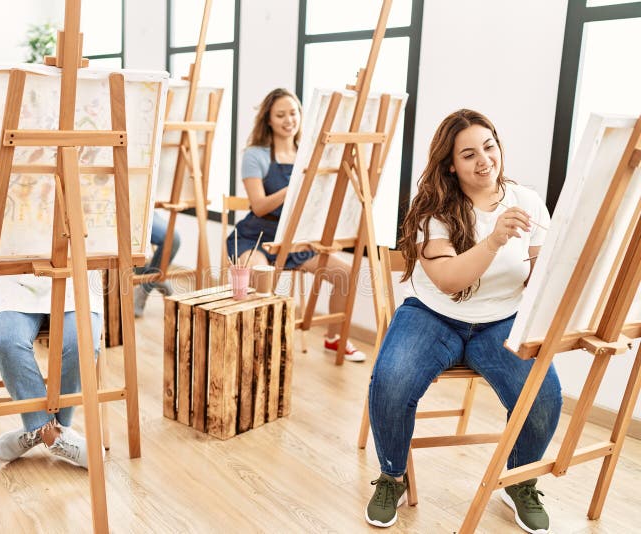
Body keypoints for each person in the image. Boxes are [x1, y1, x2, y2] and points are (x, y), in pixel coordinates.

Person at [365, 109, 562, 533]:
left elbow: (538, 274)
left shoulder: (526, 201)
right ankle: (391, 475)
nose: (484, 160)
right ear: (451, 165)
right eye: (469, 154)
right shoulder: (433, 210)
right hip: (434, 316)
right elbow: (451, 281)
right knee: (392, 381)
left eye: (489, 147)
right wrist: (493, 240)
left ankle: (519, 480)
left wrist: (548, 272)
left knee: (543, 397)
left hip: (502, 320)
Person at [230, 88, 365, 362]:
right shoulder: (255, 155)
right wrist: (293, 189)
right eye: (280, 115)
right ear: (268, 119)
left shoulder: (310, 153)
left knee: (346, 274)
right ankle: (254, 341)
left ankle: (334, 338)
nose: (288, 120)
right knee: (261, 275)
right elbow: (258, 205)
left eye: (293, 113)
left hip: (298, 240)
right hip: (258, 236)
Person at [0, 272, 104, 468]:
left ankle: (40, 430)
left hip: (75, 278)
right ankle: (51, 434)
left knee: (80, 342)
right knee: (7, 342)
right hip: (13, 282)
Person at [134, 211, 180, 317]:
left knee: (173, 239)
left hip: (147, 207)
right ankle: (155, 278)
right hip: (117, 209)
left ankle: (146, 286)